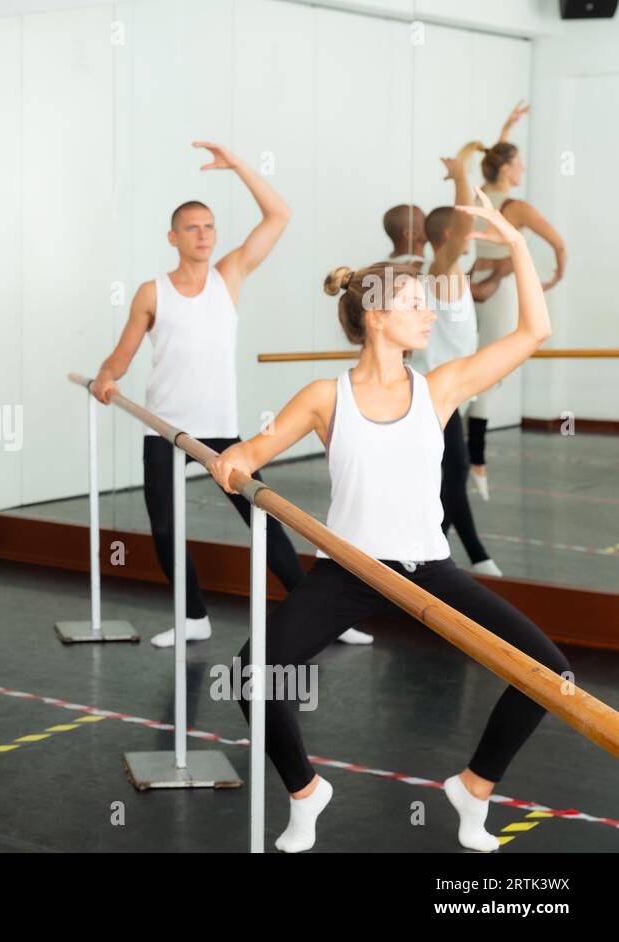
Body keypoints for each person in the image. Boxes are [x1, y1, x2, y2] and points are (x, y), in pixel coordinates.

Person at [208, 190, 570, 853]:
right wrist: (233, 459)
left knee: (549, 672)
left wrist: (518, 245)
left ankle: (475, 786)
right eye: (413, 304)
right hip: (349, 570)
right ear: (376, 316)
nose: (427, 311)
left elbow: (532, 334)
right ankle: (306, 792)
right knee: (251, 676)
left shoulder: (441, 388)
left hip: (428, 571)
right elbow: (254, 454)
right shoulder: (325, 397)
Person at [93, 141, 371, 648]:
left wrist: (240, 165)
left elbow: (279, 214)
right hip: (166, 428)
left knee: (265, 519)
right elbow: (122, 354)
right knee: (163, 529)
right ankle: (192, 617)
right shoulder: (152, 291)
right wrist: (106, 377)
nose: (203, 234)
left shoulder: (231, 274)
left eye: (210, 226)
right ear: (173, 237)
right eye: (192, 227)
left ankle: (323, 616)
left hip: (222, 430)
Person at [462, 100, 566, 499]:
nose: (522, 168)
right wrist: (558, 273)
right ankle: (476, 460)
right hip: (499, 291)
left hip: (477, 283)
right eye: (518, 162)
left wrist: (505, 130)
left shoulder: (480, 193)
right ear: (506, 168)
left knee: (483, 369)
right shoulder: (516, 206)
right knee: (489, 372)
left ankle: (468, 454)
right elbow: (557, 242)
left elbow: (495, 159)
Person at [411, 153, 502, 577]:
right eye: (465, 233)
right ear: (448, 236)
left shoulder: (450, 276)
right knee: (455, 474)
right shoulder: (442, 270)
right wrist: (463, 177)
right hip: (438, 395)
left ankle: (437, 551)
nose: (473, 236)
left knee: (449, 477)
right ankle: (473, 556)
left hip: (449, 394)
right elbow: (466, 222)